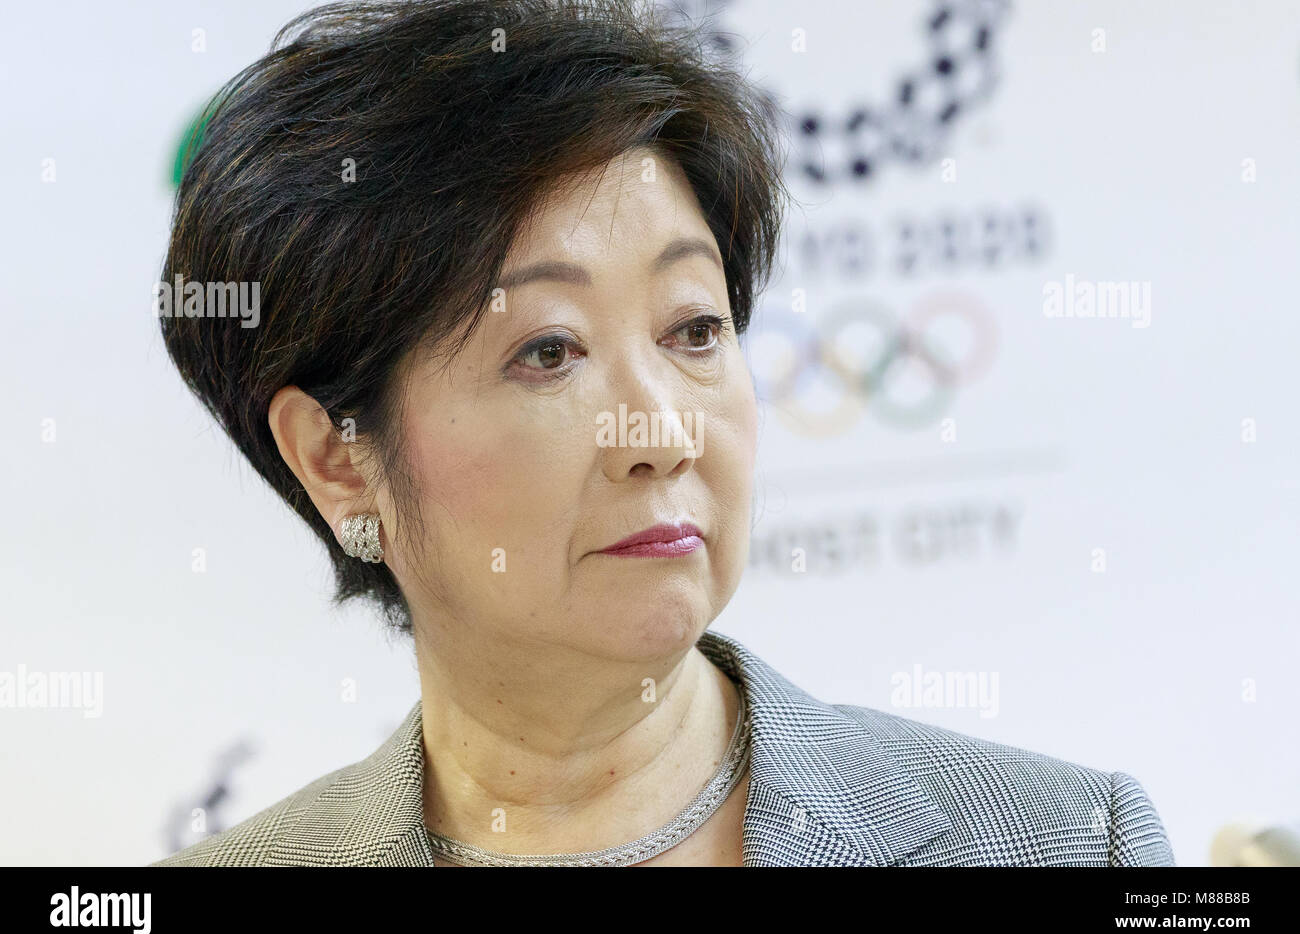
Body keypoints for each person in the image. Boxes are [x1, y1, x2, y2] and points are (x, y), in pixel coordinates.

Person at [152, 0, 1174, 867]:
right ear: (339, 458)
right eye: (548, 350)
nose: (660, 431)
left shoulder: (1073, 843)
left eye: (694, 328)